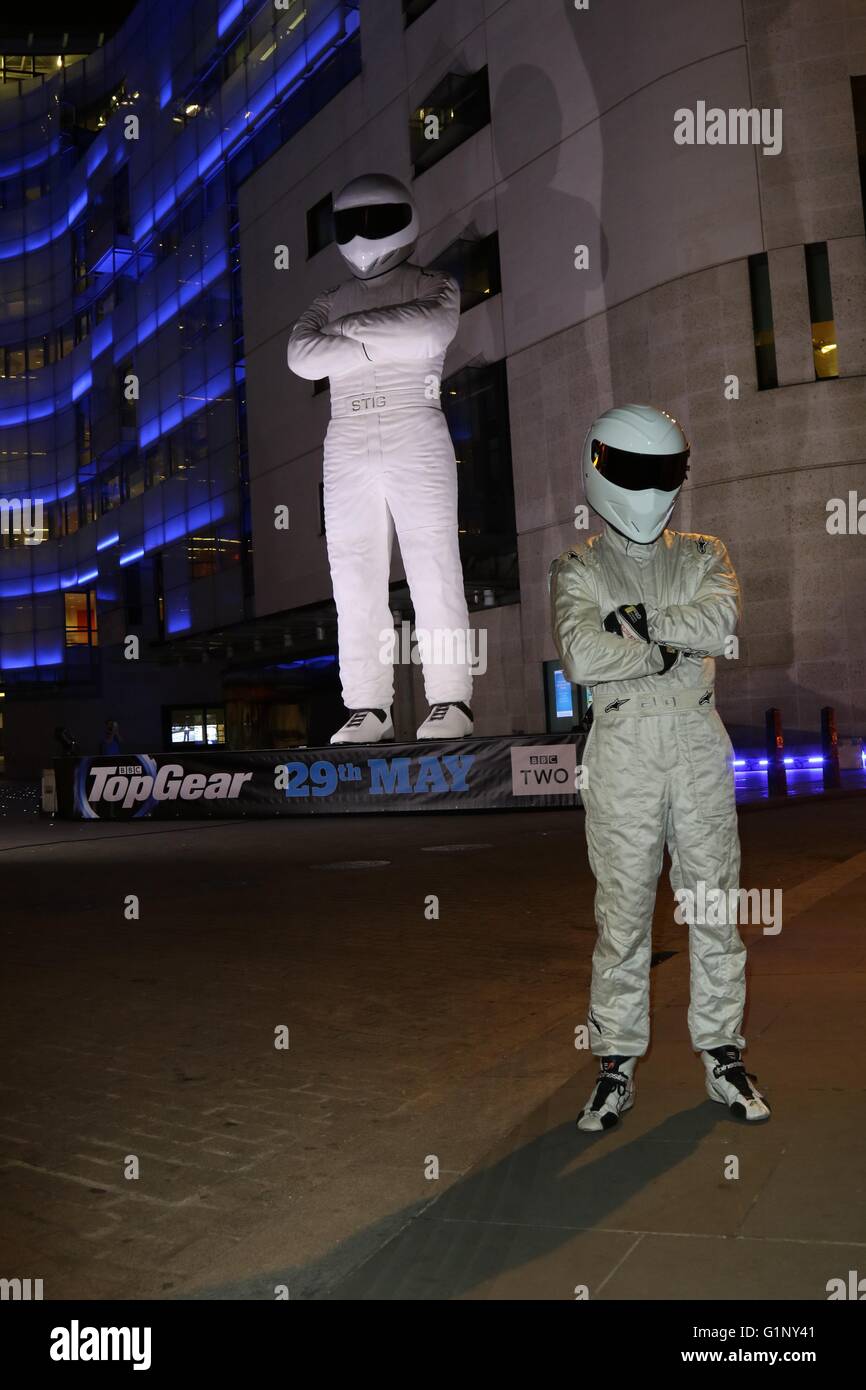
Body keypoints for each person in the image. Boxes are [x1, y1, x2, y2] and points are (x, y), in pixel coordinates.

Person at [549, 403, 770, 1132]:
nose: (648, 487)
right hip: (623, 748)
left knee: (714, 907)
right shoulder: (577, 565)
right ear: (599, 466)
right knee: (623, 916)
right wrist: (667, 642)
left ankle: (723, 1054)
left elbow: (721, 623)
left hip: (697, 744)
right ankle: (615, 1066)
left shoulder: (705, 550)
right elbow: (582, 656)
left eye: (662, 472)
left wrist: (636, 624)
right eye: (634, 472)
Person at [287, 172, 473, 745]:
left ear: (404, 218)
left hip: (413, 428)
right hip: (347, 440)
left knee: (433, 564)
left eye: (376, 219)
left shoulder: (432, 284)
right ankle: (367, 706)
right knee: (353, 577)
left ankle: (450, 699)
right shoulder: (335, 300)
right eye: (355, 222)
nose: (365, 233)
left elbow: (432, 331)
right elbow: (300, 357)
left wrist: (348, 334)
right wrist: (379, 335)